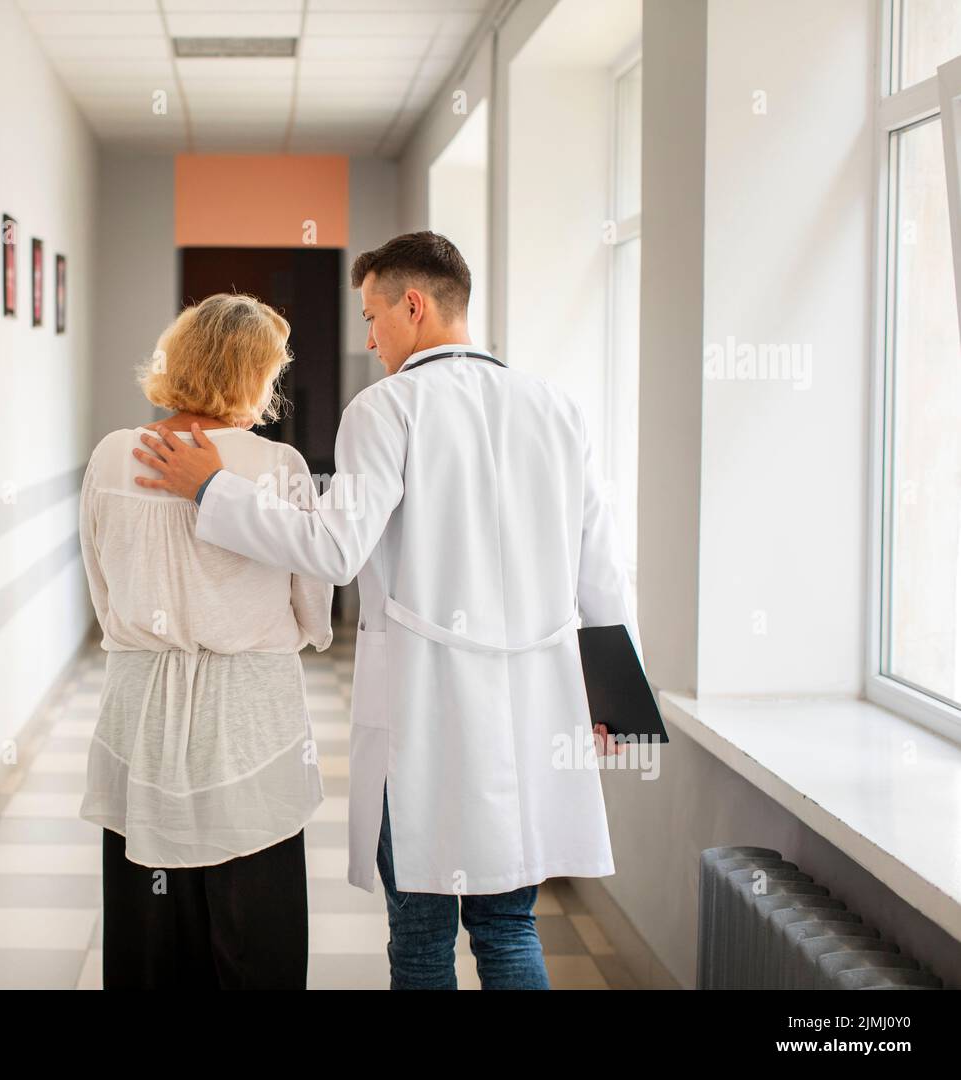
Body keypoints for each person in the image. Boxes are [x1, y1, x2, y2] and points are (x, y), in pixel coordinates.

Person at [133, 230, 641, 990]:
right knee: (508, 927)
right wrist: (619, 700)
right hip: (535, 708)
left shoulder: (386, 409)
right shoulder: (555, 407)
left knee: (424, 937)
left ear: (414, 305)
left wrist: (214, 489)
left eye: (373, 318)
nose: (369, 340)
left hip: (426, 717)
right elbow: (601, 567)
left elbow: (334, 551)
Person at [77, 292, 332, 989]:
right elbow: (314, 614)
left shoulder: (111, 457)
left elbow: (104, 595)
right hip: (251, 720)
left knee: (150, 943)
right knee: (256, 944)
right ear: (249, 375)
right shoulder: (277, 468)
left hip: (142, 716)